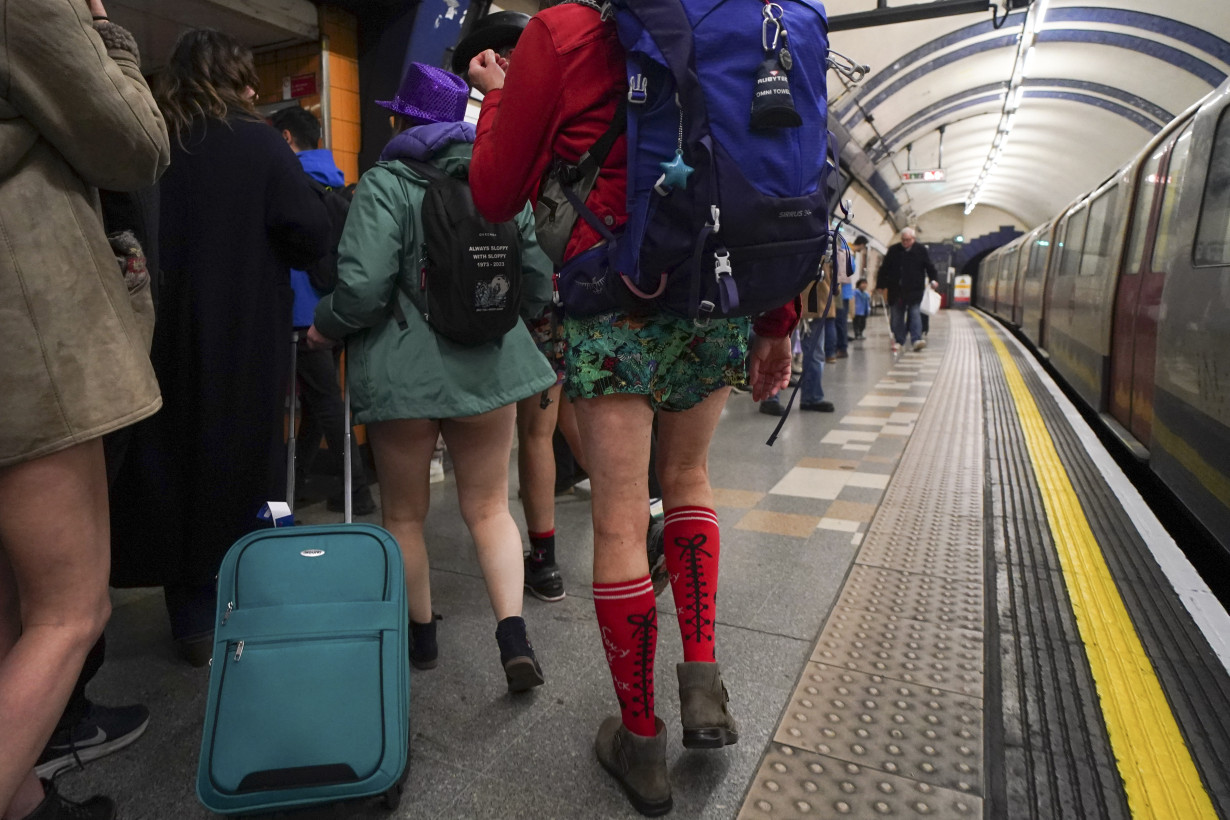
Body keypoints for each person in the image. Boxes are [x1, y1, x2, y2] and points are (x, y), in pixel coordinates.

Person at [466, 4, 795, 813]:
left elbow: (494, 191)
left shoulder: (564, 30)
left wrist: (501, 95)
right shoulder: (743, 22)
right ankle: (704, 690)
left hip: (611, 291)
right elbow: (776, 170)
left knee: (618, 517)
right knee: (690, 479)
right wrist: (777, 320)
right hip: (709, 289)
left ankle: (640, 740)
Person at [307, 62, 555, 692]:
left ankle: (422, 638)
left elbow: (361, 290)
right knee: (491, 507)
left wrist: (324, 326)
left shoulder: (385, 183)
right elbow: (537, 280)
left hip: (404, 373)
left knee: (406, 516)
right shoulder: (498, 179)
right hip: (488, 366)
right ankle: (513, 636)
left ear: (399, 120)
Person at [108, 28, 330, 667]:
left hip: (152, 337)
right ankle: (251, 591)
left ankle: (191, 617)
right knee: (250, 459)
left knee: (169, 460)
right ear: (237, 80)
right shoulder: (259, 142)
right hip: (244, 336)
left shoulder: (149, 142)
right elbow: (310, 233)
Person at [0, 0, 170, 816]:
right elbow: (133, 143)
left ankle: (26, 797)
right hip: (27, 333)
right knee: (70, 611)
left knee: (8, 599)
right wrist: (104, 30)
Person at [453, 9, 576, 603]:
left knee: (532, 435)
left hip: (517, 310)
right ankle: (546, 557)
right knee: (552, 428)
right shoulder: (569, 100)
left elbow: (507, 203)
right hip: (565, 297)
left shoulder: (509, 116)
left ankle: (544, 559)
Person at [269, 105, 376, 516]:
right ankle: (291, 486)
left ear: (285, 138)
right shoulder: (332, 180)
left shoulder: (288, 179)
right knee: (317, 406)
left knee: (326, 403)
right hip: (332, 307)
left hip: (301, 313)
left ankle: (360, 491)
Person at [877, 226, 937, 353]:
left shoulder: (921, 250)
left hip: (914, 290)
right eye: (903, 240)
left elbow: (929, 266)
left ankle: (916, 340)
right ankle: (899, 340)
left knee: (915, 314)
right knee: (896, 316)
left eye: (908, 240)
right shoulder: (893, 250)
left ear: (913, 239)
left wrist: (934, 279)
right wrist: (880, 285)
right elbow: (884, 269)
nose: (905, 242)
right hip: (896, 290)